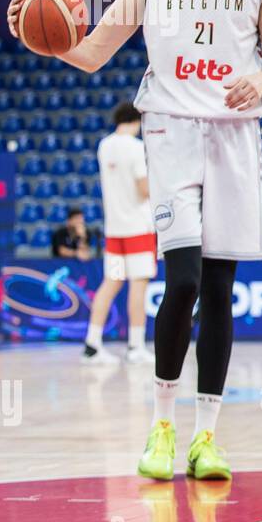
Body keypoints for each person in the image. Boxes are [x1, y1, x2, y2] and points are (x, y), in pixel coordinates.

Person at [7, 0, 262, 482]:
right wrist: (37, 35)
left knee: (221, 290)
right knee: (184, 280)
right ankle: (161, 425)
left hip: (236, 135)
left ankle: (206, 437)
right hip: (169, 131)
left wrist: (261, 83)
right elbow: (92, 53)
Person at [81, 102, 156, 366]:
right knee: (138, 285)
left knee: (109, 284)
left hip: (114, 230)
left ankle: (92, 343)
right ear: (137, 120)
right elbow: (144, 190)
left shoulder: (105, 146)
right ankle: (135, 346)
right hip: (138, 228)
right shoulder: (136, 148)